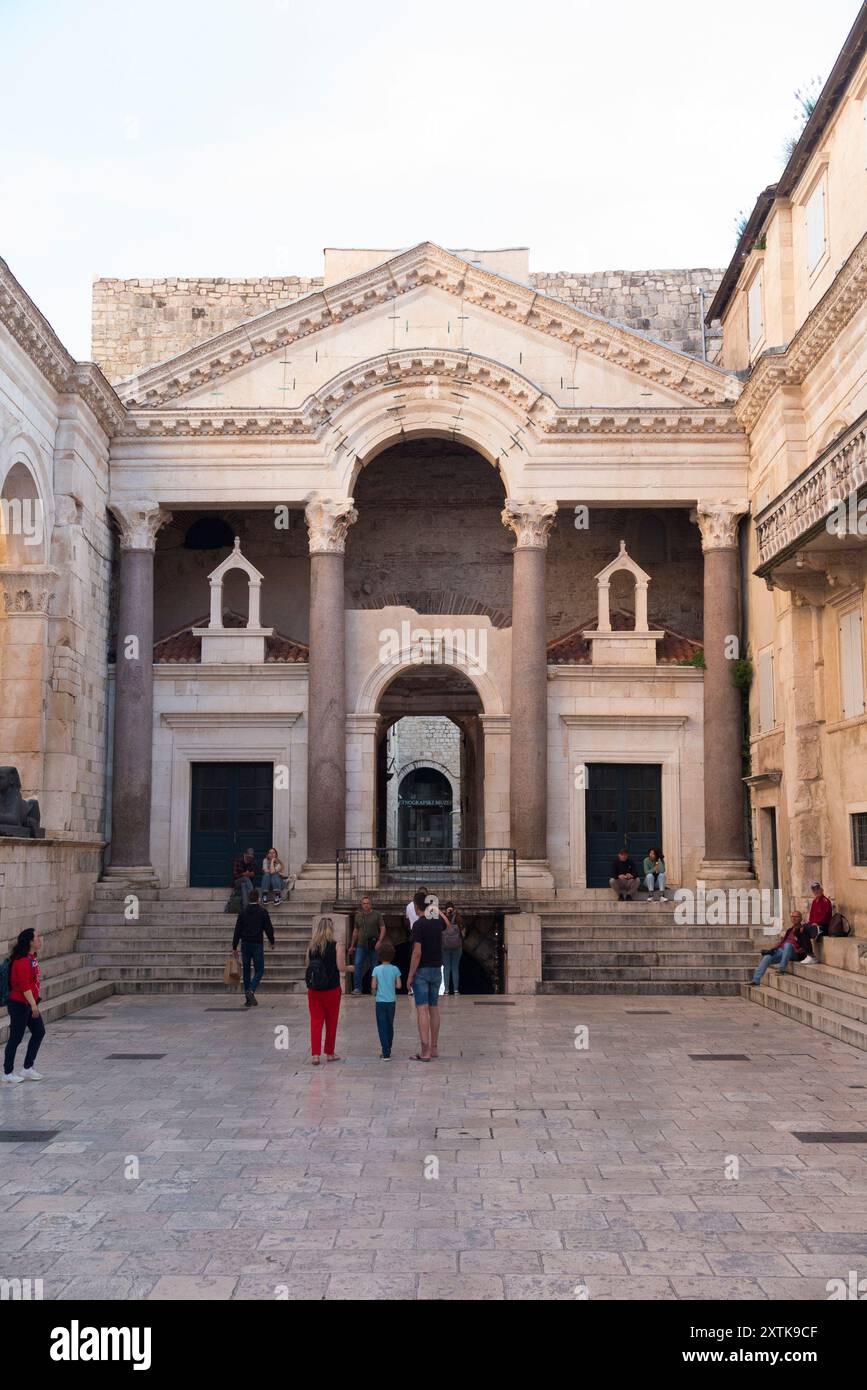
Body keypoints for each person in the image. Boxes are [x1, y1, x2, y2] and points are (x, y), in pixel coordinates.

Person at [407, 890, 447, 1061]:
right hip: (437, 969)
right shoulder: (437, 921)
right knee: (434, 1009)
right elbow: (449, 925)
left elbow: (417, 952)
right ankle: (435, 1048)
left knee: (422, 1010)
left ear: (416, 907)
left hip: (422, 971)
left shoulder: (418, 925)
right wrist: (437, 910)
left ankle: (425, 1051)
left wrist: (410, 975)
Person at [3, 929, 45, 1083]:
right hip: (19, 1004)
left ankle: (27, 1068)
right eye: (37, 937)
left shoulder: (32, 957)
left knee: (39, 1031)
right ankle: (8, 1072)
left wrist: (33, 1003)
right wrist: (34, 1005)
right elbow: (23, 985)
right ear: (30, 942)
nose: (40, 940)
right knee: (15, 1037)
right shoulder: (21, 961)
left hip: (29, 1003)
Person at [305, 916, 346, 1065]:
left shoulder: (311, 946)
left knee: (315, 1022)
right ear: (331, 929)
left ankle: (315, 1055)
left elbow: (308, 965)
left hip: (314, 989)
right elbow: (341, 967)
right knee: (331, 1021)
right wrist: (349, 968)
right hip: (332, 989)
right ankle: (329, 1053)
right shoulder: (336, 946)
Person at [232, 889, 275, 1006]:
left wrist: (234, 946)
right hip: (257, 944)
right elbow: (268, 928)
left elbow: (237, 930)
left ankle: (248, 998)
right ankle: (251, 990)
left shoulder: (243, 912)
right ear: (258, 899)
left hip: (245, 944)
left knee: (246, 971)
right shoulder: (262, 912)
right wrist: (272, 941)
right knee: (259, 970)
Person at [752, 911, 814, 985]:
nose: (794, 918)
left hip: (794, 952)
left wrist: (803, 928)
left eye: (796, 917)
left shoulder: (802, 929)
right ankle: (756, 980)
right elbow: (783, 941)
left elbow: (808, 928)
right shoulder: (789, 930)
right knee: (767, 957)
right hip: (782, 951)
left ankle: (781, 969)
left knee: (787, 945)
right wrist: (774, 948)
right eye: (792, 917)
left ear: (801, 918)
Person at [349, 894, 386, 996]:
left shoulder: (377, 915)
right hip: (361, 945)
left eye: (367, 903)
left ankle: (374, 988)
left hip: (373, 945)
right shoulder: (358, 916)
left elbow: (383, 928)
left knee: (374, 967)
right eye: (364, 903)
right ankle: (357, 988)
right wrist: (352, 945)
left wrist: (380, 941)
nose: (366, 905)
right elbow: (355, 931)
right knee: (358, 965)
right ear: (362, 905)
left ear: (371, 904)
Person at [371, 941, 402, 1059]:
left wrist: (376, 990)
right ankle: (389, 1046)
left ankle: (385, 1051)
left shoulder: (376, 969)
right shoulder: (395, 969)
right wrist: (391, 983)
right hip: (391, 1002)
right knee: (390, 1024)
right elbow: (399, 985)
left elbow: (373, 986)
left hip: (380, 1001)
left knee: (381, 1025)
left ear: (379, 955)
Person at [441, 902, 464, 996]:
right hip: (457, 946)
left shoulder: (442, 918)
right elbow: (463, 932)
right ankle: (456, 990)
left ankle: (446, 990)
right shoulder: (458, 917)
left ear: (446, 909)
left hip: (445, 946)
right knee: (455, 968)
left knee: (446, 968)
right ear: (453, 909)